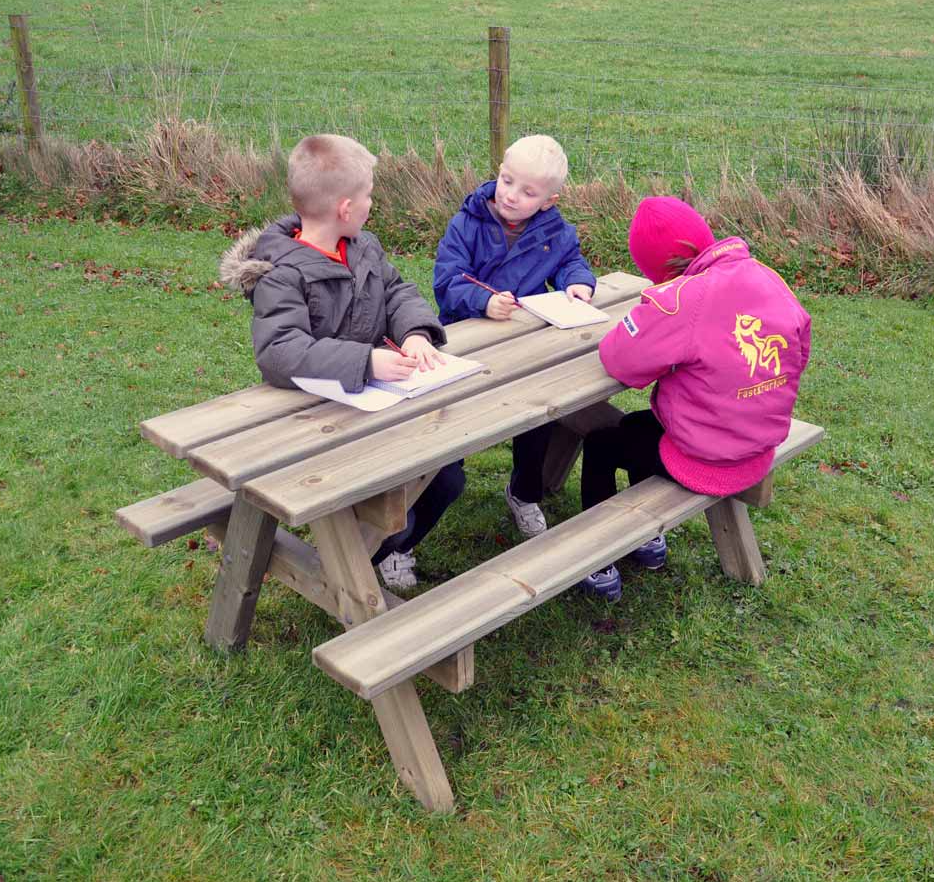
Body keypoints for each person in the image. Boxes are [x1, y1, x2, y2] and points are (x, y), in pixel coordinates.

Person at [218, 134, 463, 591]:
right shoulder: (281, 272)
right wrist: (365, 361)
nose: (374, 202)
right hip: (315, 421)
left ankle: (387, 551)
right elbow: (279, 351)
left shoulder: (363, 246)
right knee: (387, 501)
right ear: (346, 208)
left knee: (447, 476)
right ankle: (357, 564)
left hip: (377, 402)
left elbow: (395, 292)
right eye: (370, 194)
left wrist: (413, 332)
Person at [579, 196, 812, 601]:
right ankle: (647, 541)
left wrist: (654, 305)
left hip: (708, 459)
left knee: (601, 442)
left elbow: (619, 360)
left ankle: (597, 559)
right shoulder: (766, 277)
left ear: (658, 269)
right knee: (636, 429)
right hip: (756, 442)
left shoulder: (683, 300)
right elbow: (800, 348)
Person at [433, 134, 597, 538]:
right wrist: (482, 301)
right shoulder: (468, 222)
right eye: (506, 181)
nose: (510, 195)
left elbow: (571, 261)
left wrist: (578, 283)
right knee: (453, 423)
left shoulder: (555, 233)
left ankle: (524, 492)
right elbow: (446, 280)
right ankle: (433, 488)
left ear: (548, 201)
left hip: (524, 346)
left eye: (527, 192)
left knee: (539, 414)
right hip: (463, 341)